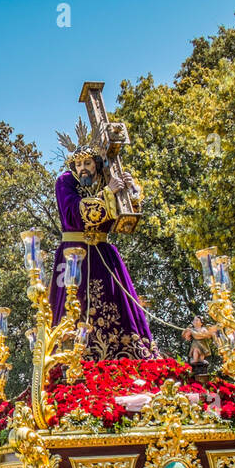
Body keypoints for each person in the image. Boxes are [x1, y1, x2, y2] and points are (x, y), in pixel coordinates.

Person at [46, 129, 155, 360]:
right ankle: (69, 361)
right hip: (74, 256)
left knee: (120, 310)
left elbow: (125, 219)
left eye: (87, 162)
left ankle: (127, 357)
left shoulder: (108, 181)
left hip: (103, 255)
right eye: (78, 164)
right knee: (71, 309)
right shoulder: (65, 181)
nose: (82, 168)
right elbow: (74, 213)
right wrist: (109, 193)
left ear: (96, 164)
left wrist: (129, 190)